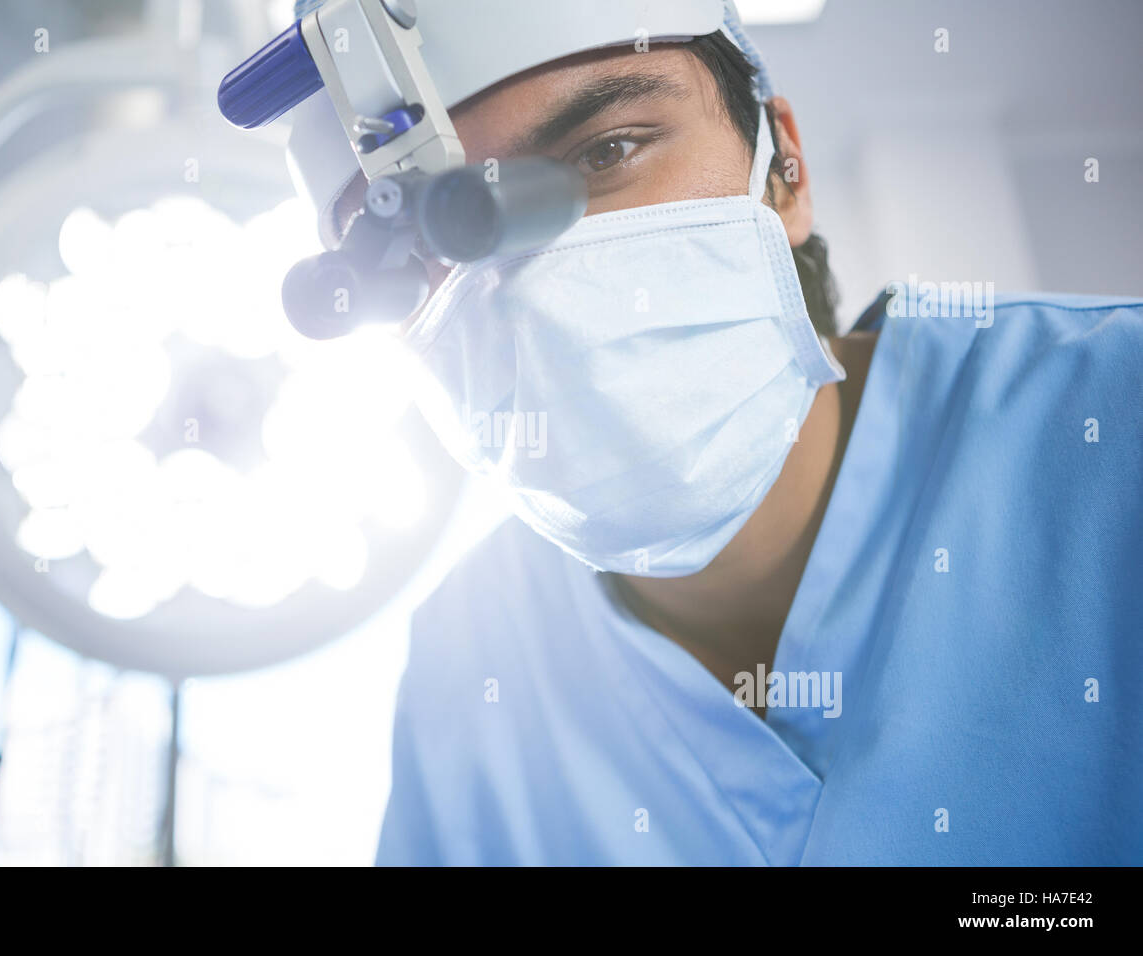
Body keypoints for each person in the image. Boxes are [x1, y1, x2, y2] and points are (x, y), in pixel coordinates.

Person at [291, 2, 1143, 864]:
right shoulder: (468, 664)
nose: (531, 285)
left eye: (608, 151)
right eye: (427, 242)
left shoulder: (1113, 415)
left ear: (787, 171)